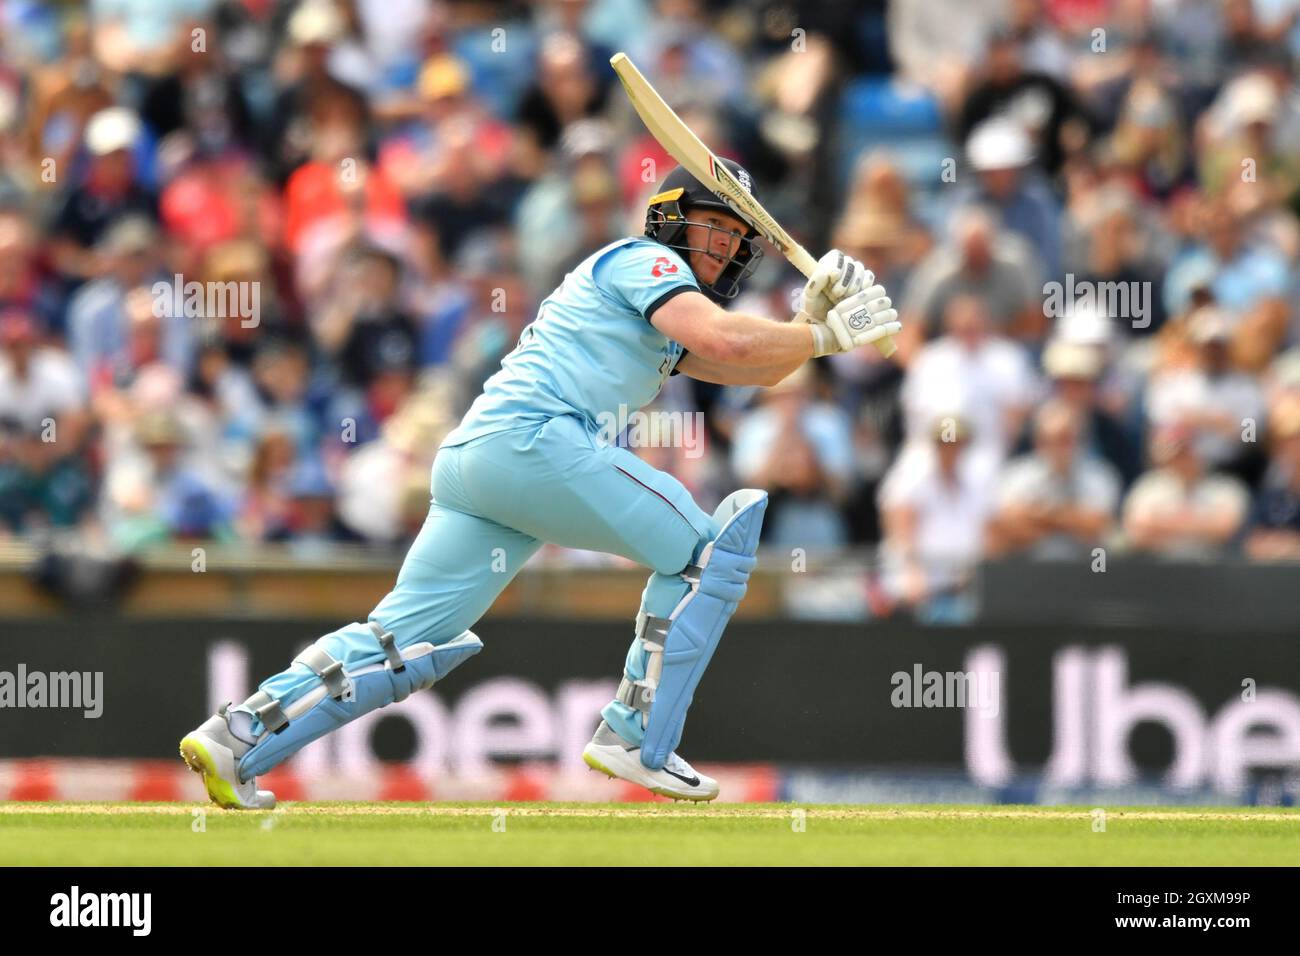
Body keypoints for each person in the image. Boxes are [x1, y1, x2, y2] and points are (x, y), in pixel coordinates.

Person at [179, 160, 902, 807]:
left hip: (484, 461)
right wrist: (827, 335)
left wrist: (809, 324)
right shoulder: (644, 260)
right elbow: (727, 339)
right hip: (536, 440)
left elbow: (754, 365)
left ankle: (239, 735)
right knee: (707, 553)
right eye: (715, 226)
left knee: (401, 643)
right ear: (672, 219)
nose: (724, 245)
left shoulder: (666, 313)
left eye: (736, 238)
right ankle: (635, 737)